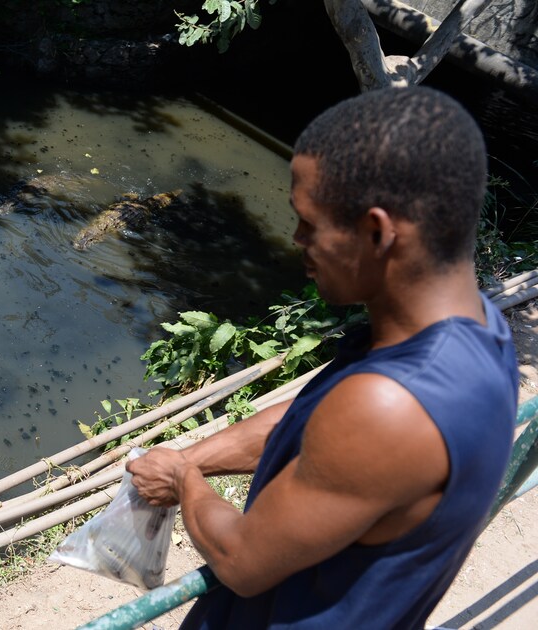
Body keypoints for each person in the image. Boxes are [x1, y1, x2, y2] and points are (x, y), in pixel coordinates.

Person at [127, 85, 520, 628]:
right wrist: (193, 456)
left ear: (377, 231)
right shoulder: (479, 330)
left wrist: (181, 482)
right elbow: (308, 427)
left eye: (309, 223)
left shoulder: (390, 407)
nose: (295, 238)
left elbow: (242, 559)